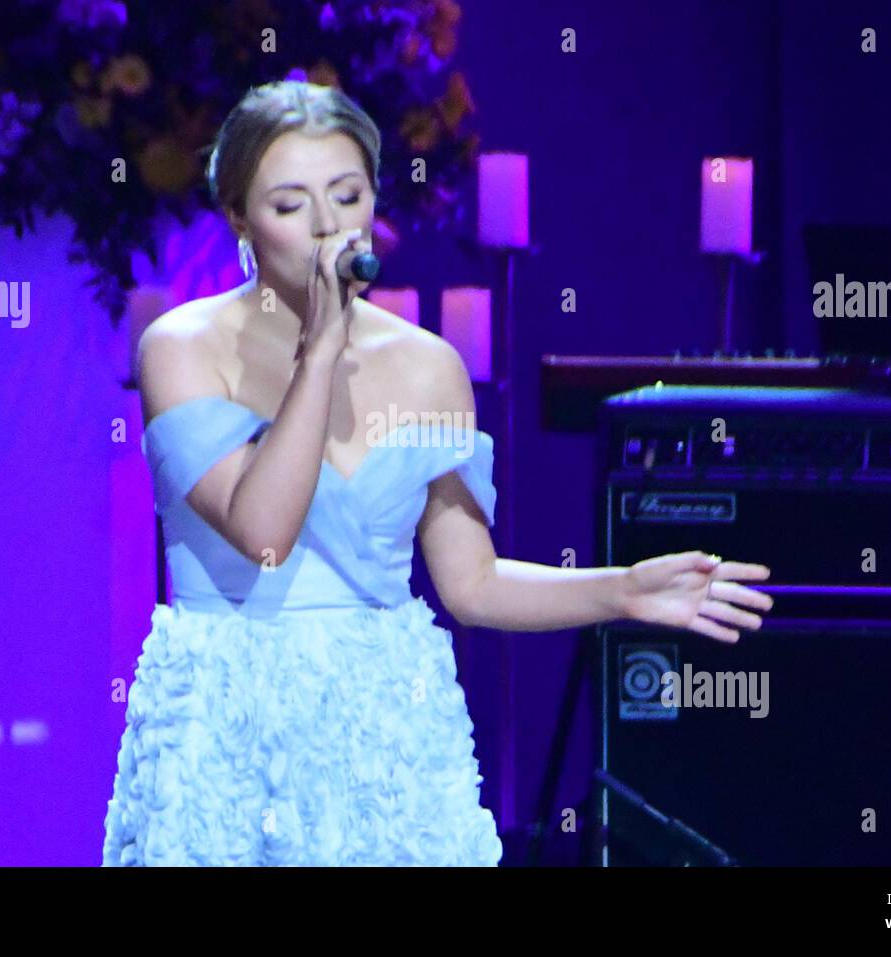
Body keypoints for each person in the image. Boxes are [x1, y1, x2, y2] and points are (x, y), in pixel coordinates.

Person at [101, 80, 774, 866]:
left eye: (346, 196)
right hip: (225, 731)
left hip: (385, 733)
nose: (327, 227)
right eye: (291, 205)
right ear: (240, 220)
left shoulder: (428, 368)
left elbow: (471, 584)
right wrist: (319, 352)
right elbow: (263, 532)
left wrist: (620, 589)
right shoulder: (182, 348)